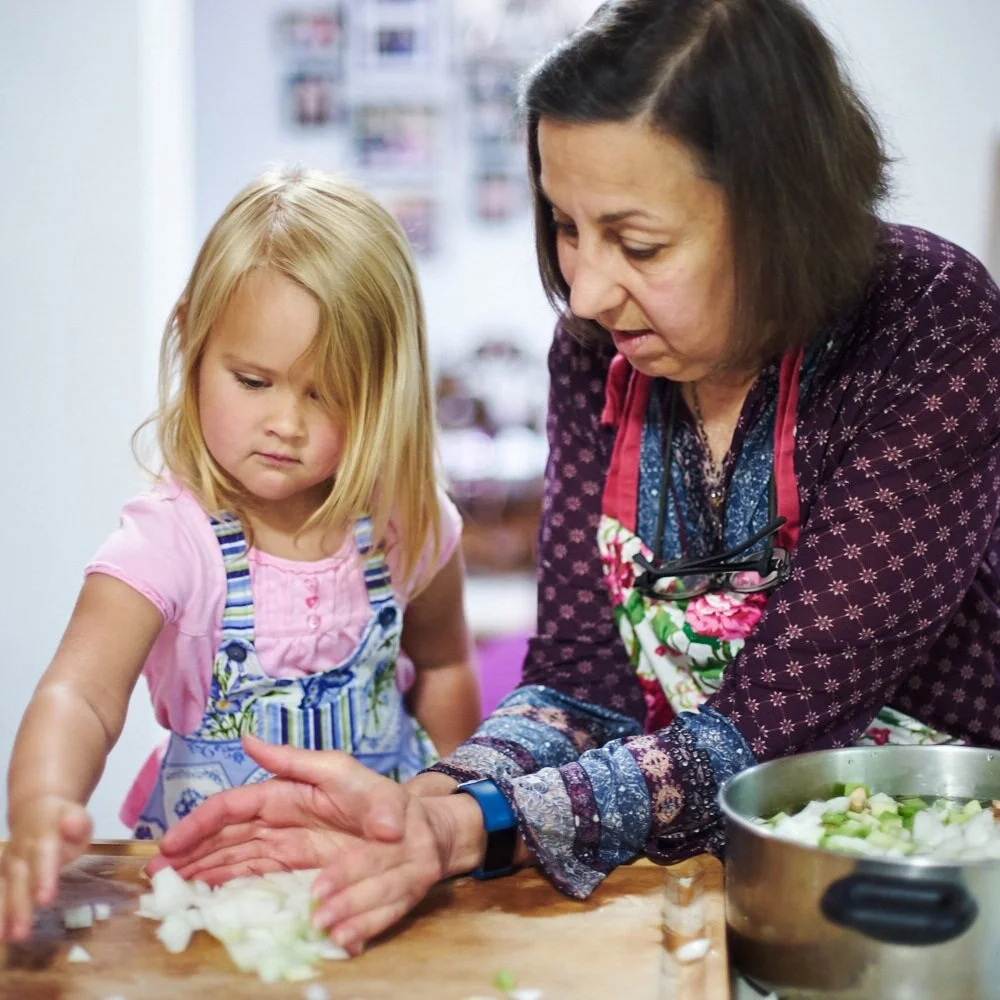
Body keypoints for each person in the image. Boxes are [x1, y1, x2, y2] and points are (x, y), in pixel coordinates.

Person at [149, 0, 1000, 957]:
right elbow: (577, 686)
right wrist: (428, 802)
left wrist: (472, 826)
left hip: (921, 885)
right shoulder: (598, 348)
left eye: (637, 244)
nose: (587, 292)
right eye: (565, 227)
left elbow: (779, 726)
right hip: (693, 876)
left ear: (780, 213)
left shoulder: (931, 324)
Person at [0, 168, 480, 941]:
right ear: (192, 340)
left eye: (327, 394)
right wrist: (42, 804)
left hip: (378, 891)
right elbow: (80, 694)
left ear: (386, 389)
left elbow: (449, 668)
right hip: (213, 907)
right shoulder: (171, 540)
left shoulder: (408, 523)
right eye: (253, 381)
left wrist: (453, 814)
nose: (285, 423)